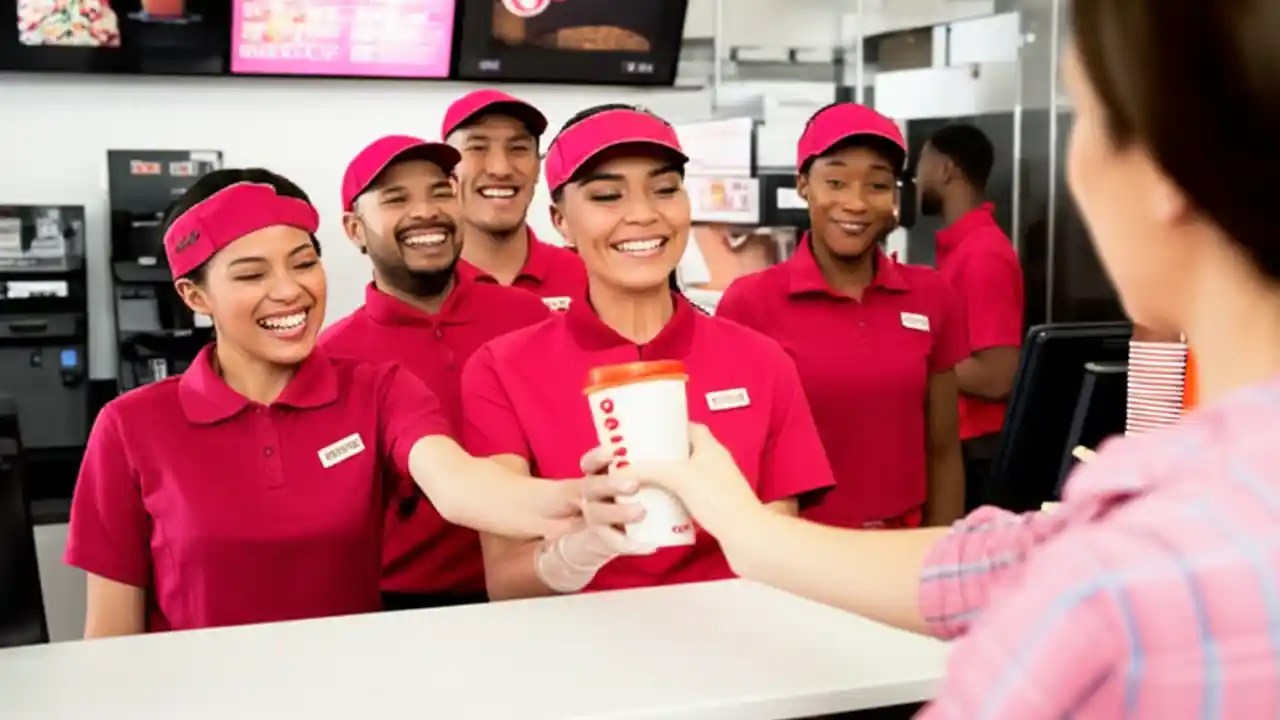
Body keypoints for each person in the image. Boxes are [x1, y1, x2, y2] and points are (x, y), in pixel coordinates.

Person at [628, 0, 1280, 715]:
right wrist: (751, 531)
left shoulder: (1111, 590)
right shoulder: (1150, 526)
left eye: (1086, 117)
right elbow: (1009, 561)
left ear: (1163, 170)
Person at [64, 168, 585, 637]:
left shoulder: (378, 390)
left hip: (349, 694)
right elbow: (110, 633)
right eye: (251, 274)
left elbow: (457, 484)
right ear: (195, 297)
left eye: (303, 263)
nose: (289, 291)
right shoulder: (131, 427)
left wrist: (587, 506)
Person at [460, 103, 835, 599]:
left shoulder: (762, 362)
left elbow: (779, 558)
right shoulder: (501, 369)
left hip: (739, 652)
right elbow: (507, 582)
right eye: (607, 195)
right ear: (560, 221)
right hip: (578, 657)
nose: (642, 214)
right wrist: (580, 549)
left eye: (664, 190)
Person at [320, 136, 550, 611]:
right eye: (396, 199)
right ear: (354, 229)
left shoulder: (529, 318)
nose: (425, 211)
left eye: (439, 192)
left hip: (543, 583)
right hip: (403, 605)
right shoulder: (334, 357)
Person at [716, 102, 967, 529]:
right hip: (801, 551)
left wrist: (942, 553)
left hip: (901, 546)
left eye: (876, 185)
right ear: (803, 185)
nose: (855, 203)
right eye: (835, 181)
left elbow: (942, 448)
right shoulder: (750, 303)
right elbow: (733, 459)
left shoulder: (930, 294)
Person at [915, 123, 1025, 508]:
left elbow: (998, 377)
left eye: (921, 165)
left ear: (946, 169)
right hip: (955, 442)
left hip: (975, 451)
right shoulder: (958, 250)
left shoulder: (983, 255)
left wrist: (912, 354)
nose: (916, 179)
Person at [442, 89, 587, 310]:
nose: (500, 169)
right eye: (478, 148)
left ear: (538, 167)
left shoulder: (588, 278)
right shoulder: (421, 288)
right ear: (448, 170)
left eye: (518, 149)